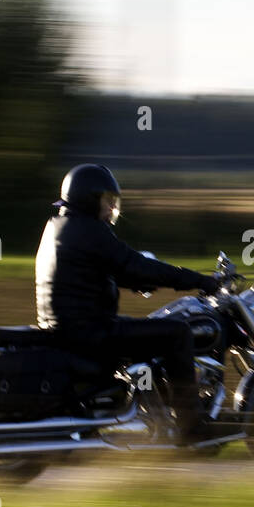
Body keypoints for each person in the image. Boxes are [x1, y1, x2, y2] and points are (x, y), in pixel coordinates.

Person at [35, 164, 221, 442]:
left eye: (113, 202)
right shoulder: (88, 230)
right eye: (106, 201)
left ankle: (153, 409)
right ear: (89, 199)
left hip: (71, 329)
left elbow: (92, 271)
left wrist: (136, 281)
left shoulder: (58, 226)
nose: (111, 209)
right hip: (91, 333)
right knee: (177, 333)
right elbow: (134, 263)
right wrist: (200, 280)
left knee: (155, 329)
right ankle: (191, 427)